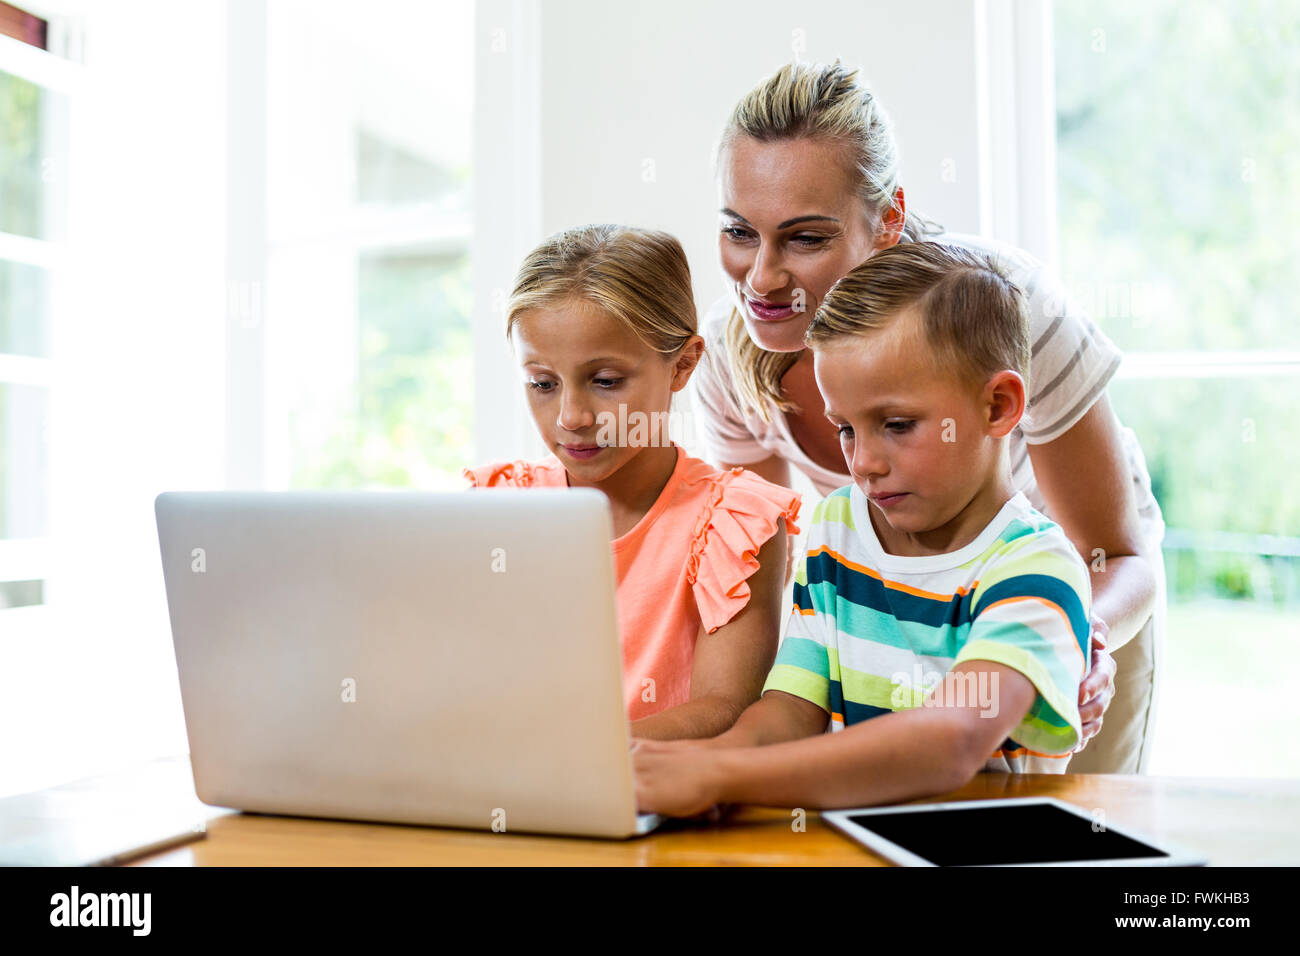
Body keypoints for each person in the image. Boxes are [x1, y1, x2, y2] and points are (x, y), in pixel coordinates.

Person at [690, 60, 1166, 773]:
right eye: (739, 231)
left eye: (805, 238)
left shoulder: (1006, 305)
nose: (761, 278)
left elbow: (1116, 555)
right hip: (894, 614)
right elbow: (768, 586)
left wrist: (1071, 639)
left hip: (1066, 610)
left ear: (887, 220)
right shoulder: (731, 360)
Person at [633, 242, 1092, 815]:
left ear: (998, 406)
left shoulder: (1038, 567)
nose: (864, 463)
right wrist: (694, 765)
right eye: (846, 429)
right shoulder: (837, 529)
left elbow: (950, 743)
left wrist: (721, 772)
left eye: (897, 425)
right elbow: (788, 711)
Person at [462, 224, 801, 740]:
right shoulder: (496, 511)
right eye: (542, 384)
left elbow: (723, 709)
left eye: (605, 382)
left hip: (656, 799)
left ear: (683, 364)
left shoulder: (734, 525)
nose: (572, 417)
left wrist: (574, 757)